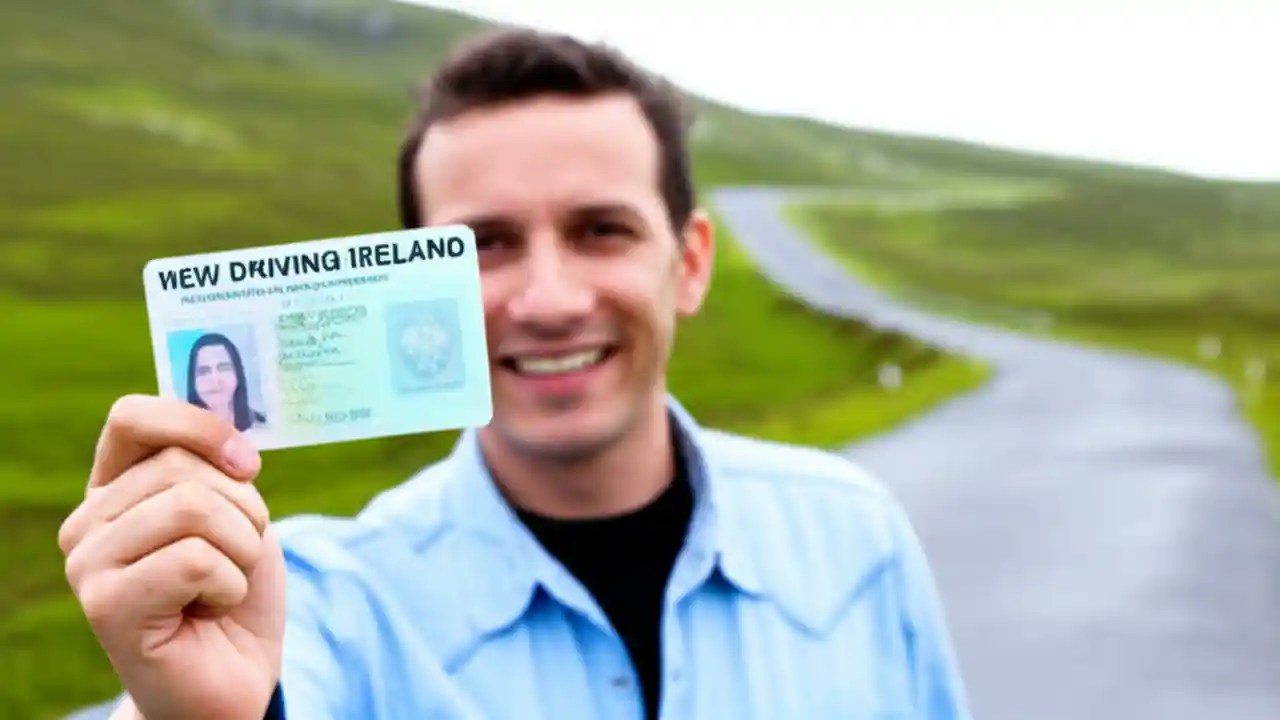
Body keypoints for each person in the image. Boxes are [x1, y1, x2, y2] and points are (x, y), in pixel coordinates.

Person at [58, 27, 970, 720]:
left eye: (600, 230)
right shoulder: (309, 596)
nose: (547, 298)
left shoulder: (857, 539)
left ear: (689, 263)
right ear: (413, 279)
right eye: (485, 243)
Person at [184, 332, 267, 431]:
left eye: (223, 368)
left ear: (237, 373)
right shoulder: (184, 431)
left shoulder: (262, 428)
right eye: (204, 371)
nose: (215, 379)